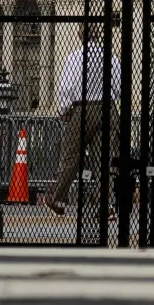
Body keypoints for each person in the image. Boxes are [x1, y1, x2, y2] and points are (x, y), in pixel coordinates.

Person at [44, 27, 120, 218]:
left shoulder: (74, 57)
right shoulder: (110, 57)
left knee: (71, 156)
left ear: (80, 36)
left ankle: (58, 199)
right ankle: (107, 205)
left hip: (82, 108)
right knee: (105, 159)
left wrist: (64, 110)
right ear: (98, 35)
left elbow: (66, 87)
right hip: (108, 107)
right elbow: (118, 86)